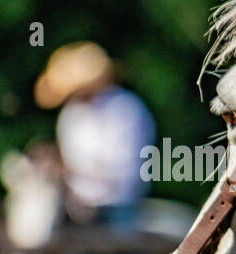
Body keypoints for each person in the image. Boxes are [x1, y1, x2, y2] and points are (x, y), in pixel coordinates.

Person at [33, 41, 154, 230]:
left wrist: (71, 168)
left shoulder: (125, 109)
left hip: (118, 205)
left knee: (124, 248)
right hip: (76, 207)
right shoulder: (71, 114)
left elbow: (125, 173)